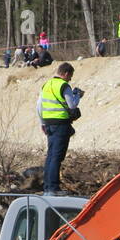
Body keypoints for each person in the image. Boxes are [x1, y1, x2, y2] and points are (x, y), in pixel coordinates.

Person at [37, 62, 81, 196]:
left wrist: (42, 123)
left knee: (50, 156)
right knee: (57, 156)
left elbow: (39, 106)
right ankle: (53, 188)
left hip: (49, 123)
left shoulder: (46, 85)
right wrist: (78, 95)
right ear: (66, 73)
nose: (70, 79)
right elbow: (72, 105)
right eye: (70, 76)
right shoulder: (64, 86)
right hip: (61, 123)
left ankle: (47, 187)